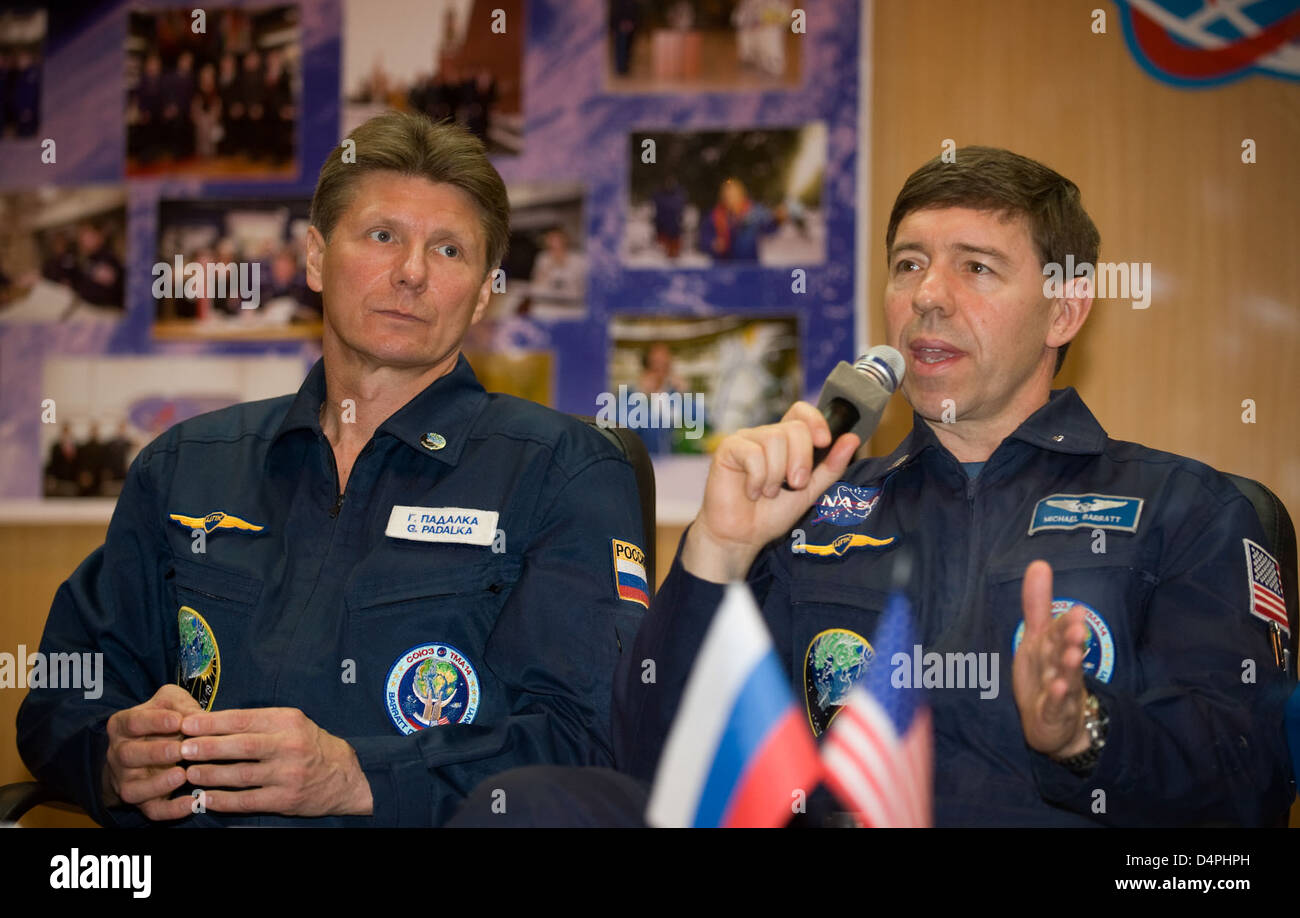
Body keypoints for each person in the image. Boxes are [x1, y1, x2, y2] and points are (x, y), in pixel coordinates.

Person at [453, 146, 1295, 827]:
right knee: (529, 805)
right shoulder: (817, 506)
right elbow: (656, 765)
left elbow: (1249, 779)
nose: (928, 296)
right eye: (909, 264)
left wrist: (1084, 733)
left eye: (977, 268)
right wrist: (717, 551)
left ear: (1066, 309)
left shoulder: (1185, 509)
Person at [17, 111, 648, 827]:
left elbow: (594, 741)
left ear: (482, 292)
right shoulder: (184, 465)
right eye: (383, 236)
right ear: (315, 258)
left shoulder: (563, 472)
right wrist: (110, 754)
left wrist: (360, 777)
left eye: (448, 251)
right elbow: (62, 699)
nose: (411, 272)